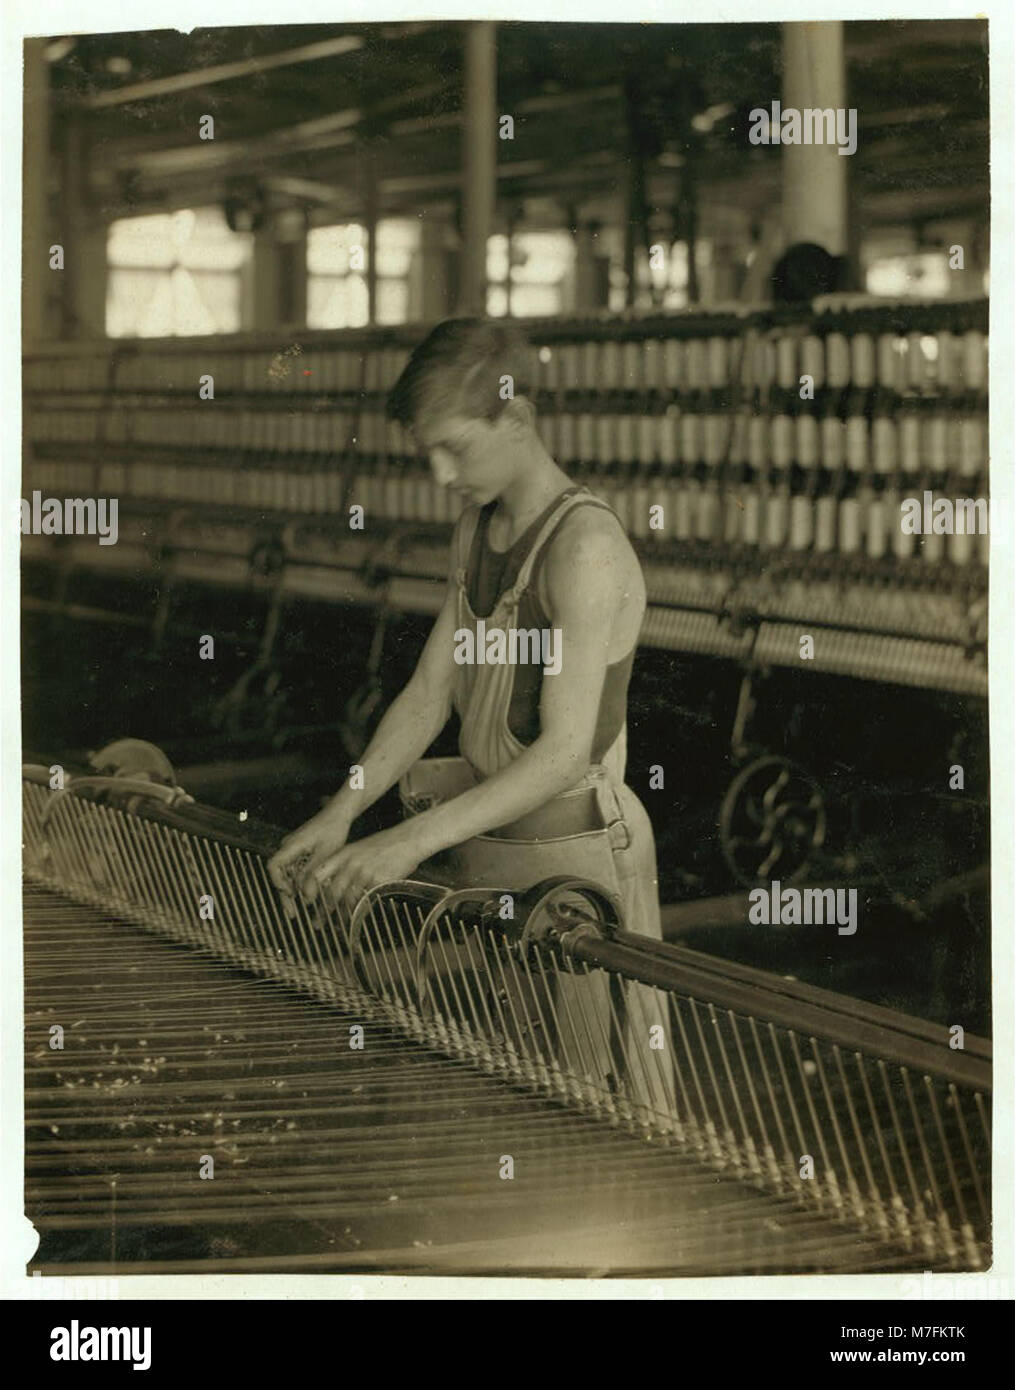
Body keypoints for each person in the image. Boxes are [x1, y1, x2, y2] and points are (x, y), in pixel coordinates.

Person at [268, 318, 662, 949]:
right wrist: (343, 812)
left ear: (518, 420)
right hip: (498, 834)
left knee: (599, 1046)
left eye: (454, 448)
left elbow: (563, 755)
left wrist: (406, 842)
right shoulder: (476, 530)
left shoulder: (583, 549)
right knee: (507, 1045)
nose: (440, 475)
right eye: (428, 453)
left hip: (581, 849)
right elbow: (429, 693)